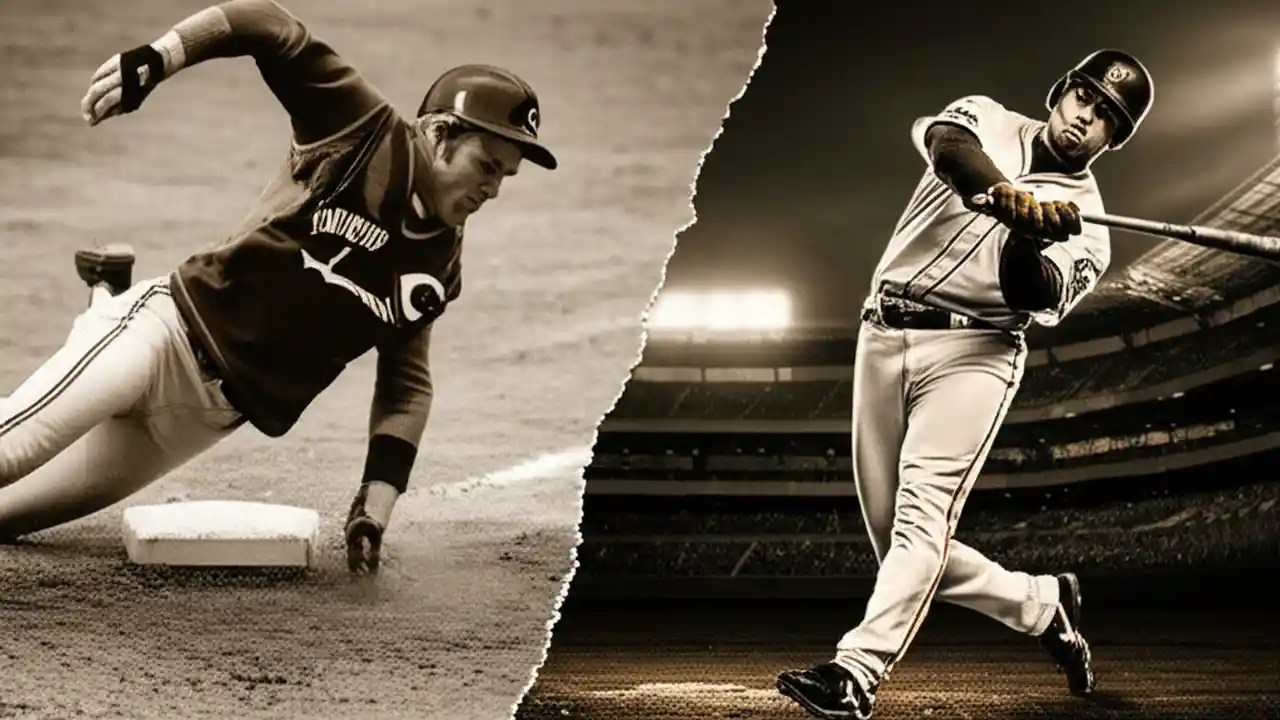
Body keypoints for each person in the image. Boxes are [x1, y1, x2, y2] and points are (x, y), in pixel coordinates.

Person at [0, 0, 557, 575]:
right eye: (487, 164)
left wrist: (375, 504)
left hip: (200, 422)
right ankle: (113, 308)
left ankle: (105, 291)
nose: (493, 188)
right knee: (10, 451)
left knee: (4, 516)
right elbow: (267, 25)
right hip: (165, 337)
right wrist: (159, 58)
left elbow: (406, 386)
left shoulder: (440, 268)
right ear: (440, 135)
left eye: (505, 176)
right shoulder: (363, 132)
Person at [776, 49, 1154, 719]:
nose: (1086, 118)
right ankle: (1040, 605)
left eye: (1106, 119)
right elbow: (945, 147)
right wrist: (1000, 193)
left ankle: (855, 672)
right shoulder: (983, 117)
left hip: (974, 354)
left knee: (921, 523)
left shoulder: (1091, 230)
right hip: (883, 330)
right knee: (899, 540)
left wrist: (1029, 236)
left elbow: (1029, 292)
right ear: (1061, 91)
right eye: (1085, 98)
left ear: (1113, 141)